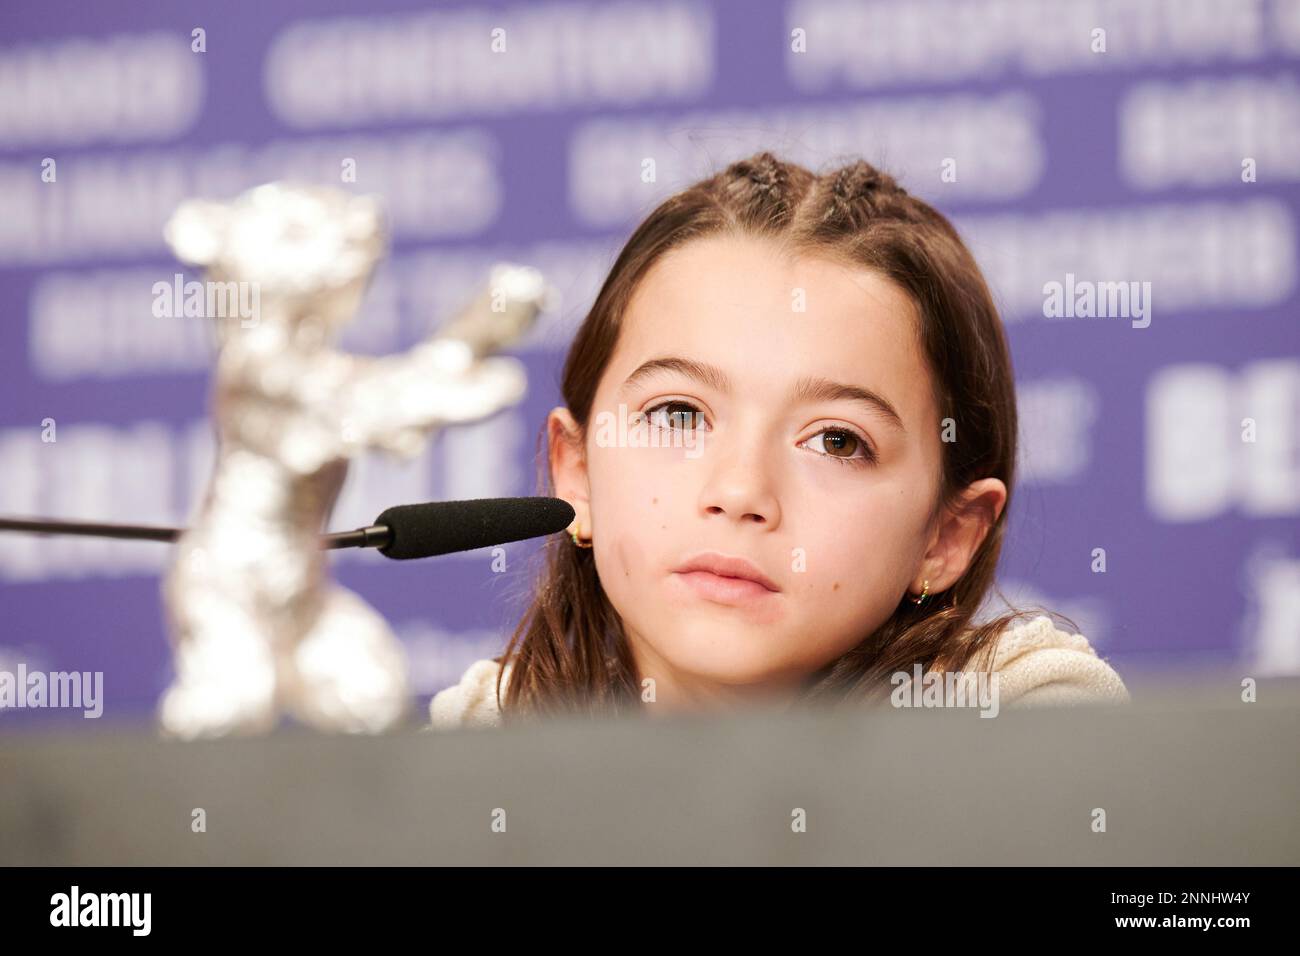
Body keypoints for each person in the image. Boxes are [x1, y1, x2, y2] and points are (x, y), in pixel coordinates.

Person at [429, 151, 1129, 730]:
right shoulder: (486, 743)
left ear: (947, 536)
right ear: (576, 475)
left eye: (836, 441)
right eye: (678, 415)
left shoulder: (1023, 717)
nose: (739, 492)